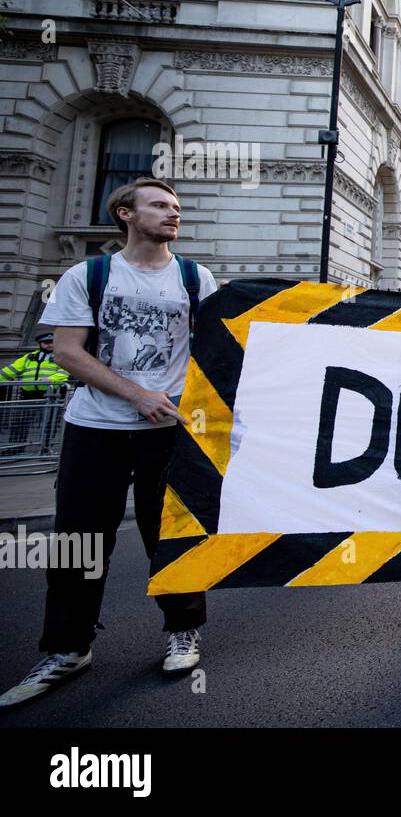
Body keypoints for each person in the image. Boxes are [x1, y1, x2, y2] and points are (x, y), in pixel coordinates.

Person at [0, 180, 217, 710]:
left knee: (170, 538)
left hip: (168, 433)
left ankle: (183, 632)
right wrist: (137, 394)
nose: (172, 215)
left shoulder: (195, 277)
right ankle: (67, 649)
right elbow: (69, 352)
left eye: (176, 208)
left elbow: (218, 346)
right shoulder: (87, 275)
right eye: (160, 205)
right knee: (79, 540)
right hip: (94, 427)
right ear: (126, 214)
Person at [0, 333, 69, 448]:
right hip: (29, 394)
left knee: (50, 423)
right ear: (40, 344)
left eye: (52, 342)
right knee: (21, 422)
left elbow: (64, 372)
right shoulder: (29, 357)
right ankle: (16, 447)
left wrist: (50, 379)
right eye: (46, 343)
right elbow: (11, 370)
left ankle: (46, 447)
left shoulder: (60, 356)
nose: (49, 345)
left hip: (52, 394)